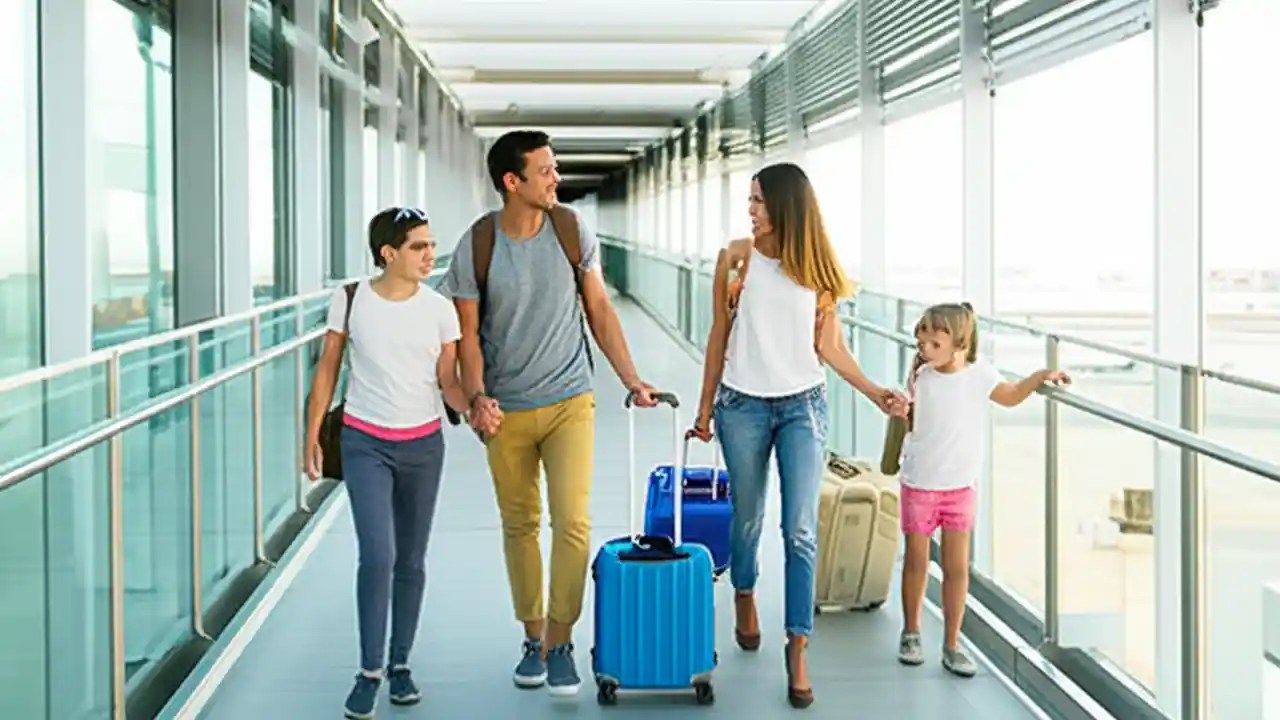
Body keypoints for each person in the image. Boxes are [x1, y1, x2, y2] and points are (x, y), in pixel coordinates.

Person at [438, 129, 659, 697]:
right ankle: (532, 637)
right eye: (545, 170)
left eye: (554, 168)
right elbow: (467, 334)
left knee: (574, 522)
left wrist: (630, 378)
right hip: (505, 411)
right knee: (520, 526)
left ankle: (560, 641)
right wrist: (478, 398)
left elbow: (600, 307)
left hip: (569, 399)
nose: (555, 178)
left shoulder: (570, 229)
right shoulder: (478, 243)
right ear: (512, 182)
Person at [688, 162, 907, 709]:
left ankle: (798, 645)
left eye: (759, 200)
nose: (751, 209)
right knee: (748, 516)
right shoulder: (735, 259)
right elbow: (720, 332)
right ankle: (744, 590)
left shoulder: (816, 270)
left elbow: (830, 347)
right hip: (741, 404)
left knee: (801, 531)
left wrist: (874, 390)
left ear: (786, 205)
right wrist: (704, 407)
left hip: (802, 407)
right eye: (750, 199)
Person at [303, 207, 487, 720]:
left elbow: (447, 380)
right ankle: (369, 671)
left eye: (431, 245)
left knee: (410, 560)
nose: (430, 255)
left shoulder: (439, 310)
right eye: (419, 247)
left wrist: (473, 406)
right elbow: (328, 368)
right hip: (365, 442)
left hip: (423, 447)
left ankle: (401, 664)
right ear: (389, 253)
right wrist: (312, 434)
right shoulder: (351, 298)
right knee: (378, 555)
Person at [891, 302, 1068, 677]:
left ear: (959, 343)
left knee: (957, 568)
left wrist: (1040, 376)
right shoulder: (921, 372)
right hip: (920, 481)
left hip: (959, 487)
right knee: (916, 561)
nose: (923, 348)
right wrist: (901, 410)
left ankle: (952, 643)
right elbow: (915, 420)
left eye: (932, 343)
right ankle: (911, 631)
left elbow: (1011, 394)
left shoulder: (979, 374)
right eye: (920, 340)